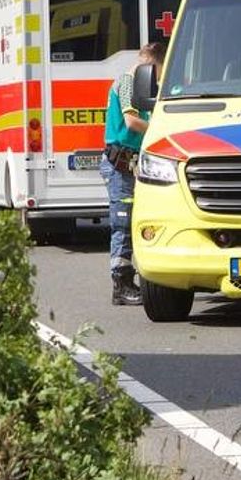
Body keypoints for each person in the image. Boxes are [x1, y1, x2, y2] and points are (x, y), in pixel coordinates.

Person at [101, 41, 166, 306]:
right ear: (151, 64)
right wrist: (162, 130)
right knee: (123, 223)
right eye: (159, 70)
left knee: (134, 221)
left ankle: (131, 279)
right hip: (120, 165)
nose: (159, 78)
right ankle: (121, 284)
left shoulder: (135, 83)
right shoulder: (128, 83)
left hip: (129, 163)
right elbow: (131, 121)